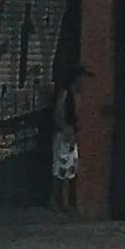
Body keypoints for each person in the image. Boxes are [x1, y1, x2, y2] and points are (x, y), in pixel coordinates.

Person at [49, 80, 81, 214]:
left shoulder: (75, 95)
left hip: (71, 136)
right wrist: (66, 129)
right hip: (63, 136)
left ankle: (66, 202)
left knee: (70, 171)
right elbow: (57, 115)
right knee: (59, 171)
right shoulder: (64, 94)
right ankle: (55, 201)